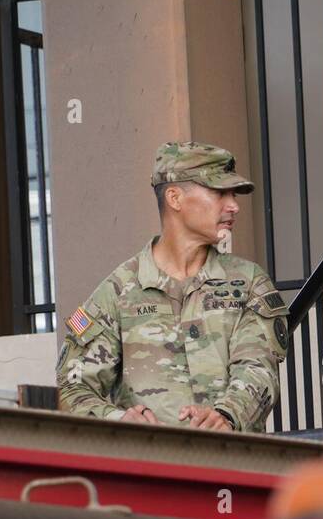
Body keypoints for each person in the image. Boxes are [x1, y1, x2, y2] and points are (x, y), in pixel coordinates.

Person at [56, 141, 289, 432]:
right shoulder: (117, 292)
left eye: (233, 194)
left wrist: (227, 416)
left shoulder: (249, 283)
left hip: (230, 464)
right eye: (220, 193)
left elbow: (258, 370)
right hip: (150, 469)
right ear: (175, 198)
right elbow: (72, 387)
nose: (234, 205)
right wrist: (117, 419)